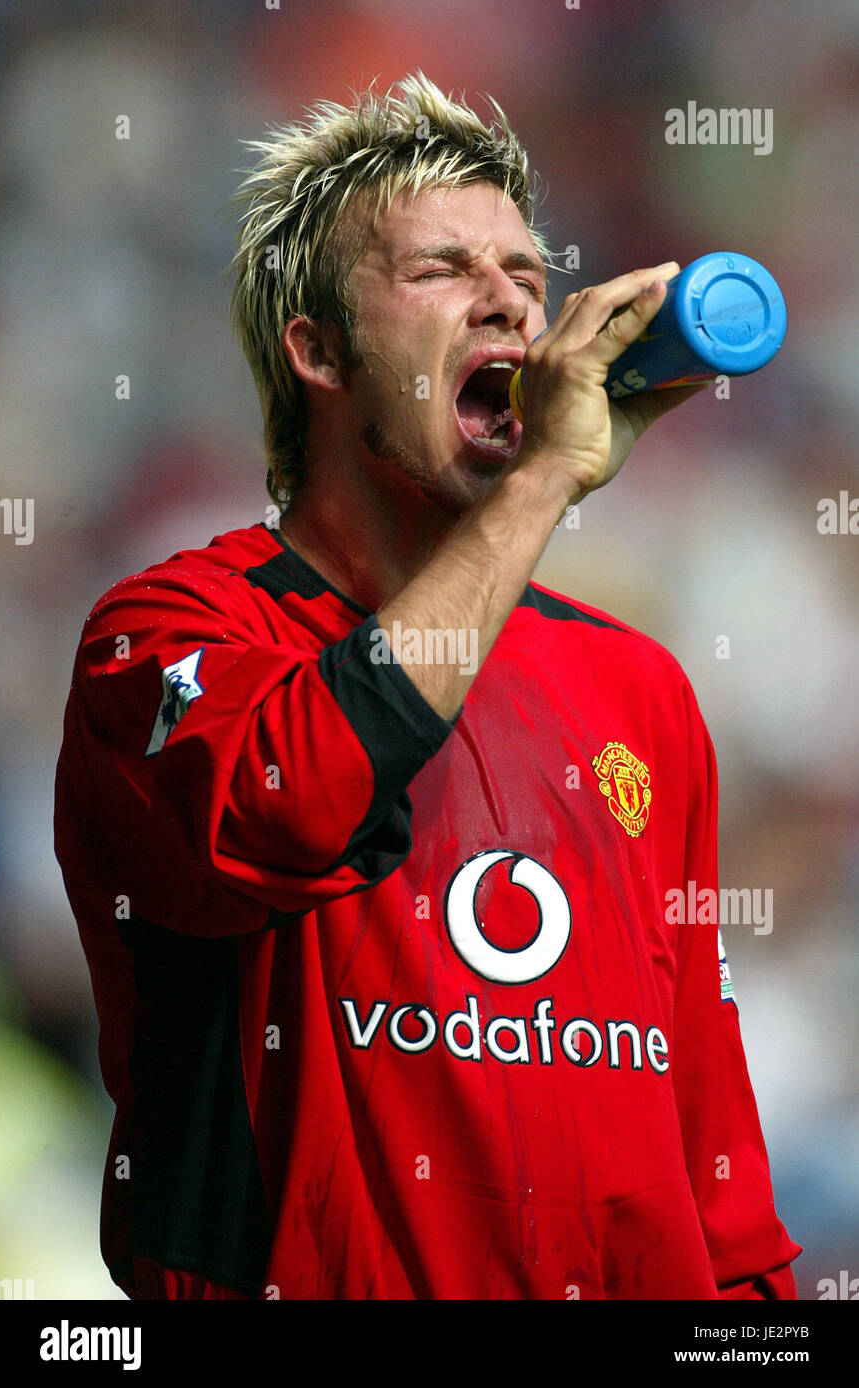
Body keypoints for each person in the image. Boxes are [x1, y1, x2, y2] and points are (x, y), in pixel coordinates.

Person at [54, 73, 801, 1300]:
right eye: (440, 270)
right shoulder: (172, 632)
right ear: (319, 352)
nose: (507, 299)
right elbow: (290, 806)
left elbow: (707, 1141)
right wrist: (537, 490)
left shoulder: (638, 687)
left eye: (522, 271)